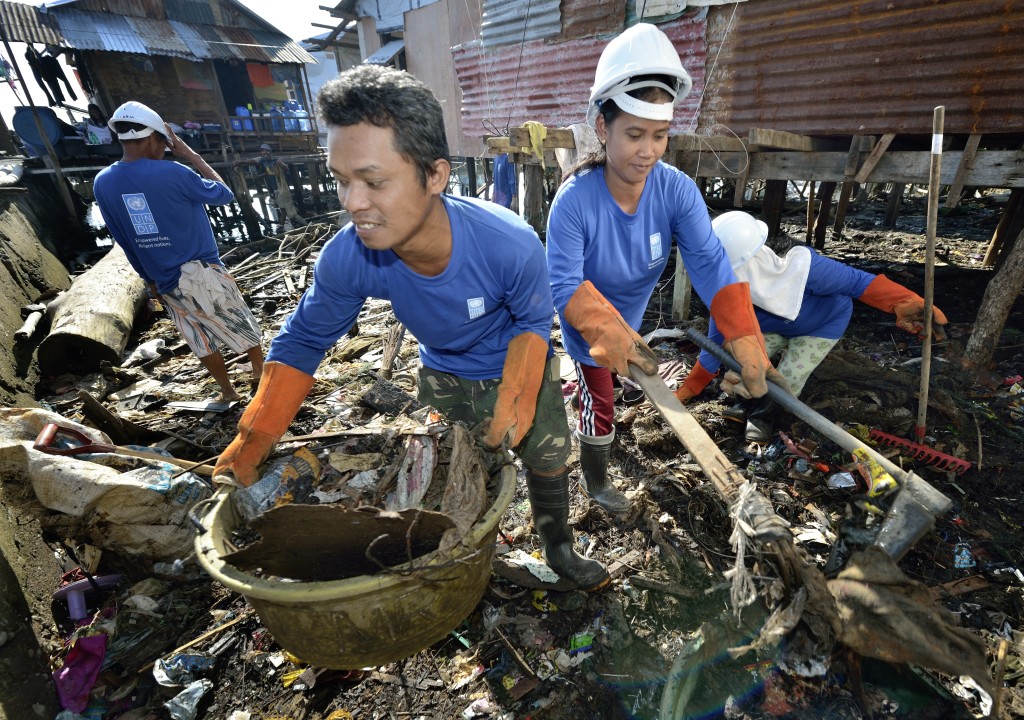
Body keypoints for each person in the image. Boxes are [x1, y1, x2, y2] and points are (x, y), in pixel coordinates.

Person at [214, 65, 610, 591]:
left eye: (374, 181)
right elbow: (306, 339)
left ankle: (558, 548)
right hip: (442, 371)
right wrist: (254, 435)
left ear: (435, 176)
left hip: (517, 359)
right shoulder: (349, 258)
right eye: (341, 180)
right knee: (447, 472)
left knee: (547, 456)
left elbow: (532, 321)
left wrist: (516, 393)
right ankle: (454, 562)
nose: (353, 202)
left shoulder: (508, 243)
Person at [546, 23, 783, 515]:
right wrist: (608, 337)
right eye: (634, 134)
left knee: (622, 378)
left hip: (631, 321)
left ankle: (602, 404)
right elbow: (565, 286)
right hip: (587, 323)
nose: (648, 150)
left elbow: (712, 263)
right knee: (601, 399)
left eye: (659, 135)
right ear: (602, 128)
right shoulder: (573, 204)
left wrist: (744, 339)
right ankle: (595, 480)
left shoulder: (675, 189)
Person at [676, 211, 949, 441]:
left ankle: (764, 416)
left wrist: (904, 301)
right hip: (772, 327)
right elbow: (714, 345)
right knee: (741, 359)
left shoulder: (805, 268)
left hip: (820, 325)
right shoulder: (727, 291)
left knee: (790, 376)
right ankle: (744, 401)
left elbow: (857, 283)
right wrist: (690, 388)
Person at [93, 101, 264, 402]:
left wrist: (149, 281)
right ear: (152, 138)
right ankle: (259, 371)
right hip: (202, 270)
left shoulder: (103, 182)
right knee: (238, 319)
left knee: (197, 336)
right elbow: (223, 194)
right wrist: (191, 155)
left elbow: (123, 239)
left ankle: (227, 391)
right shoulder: (174, 171)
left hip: (165, 279)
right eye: (164, 141)